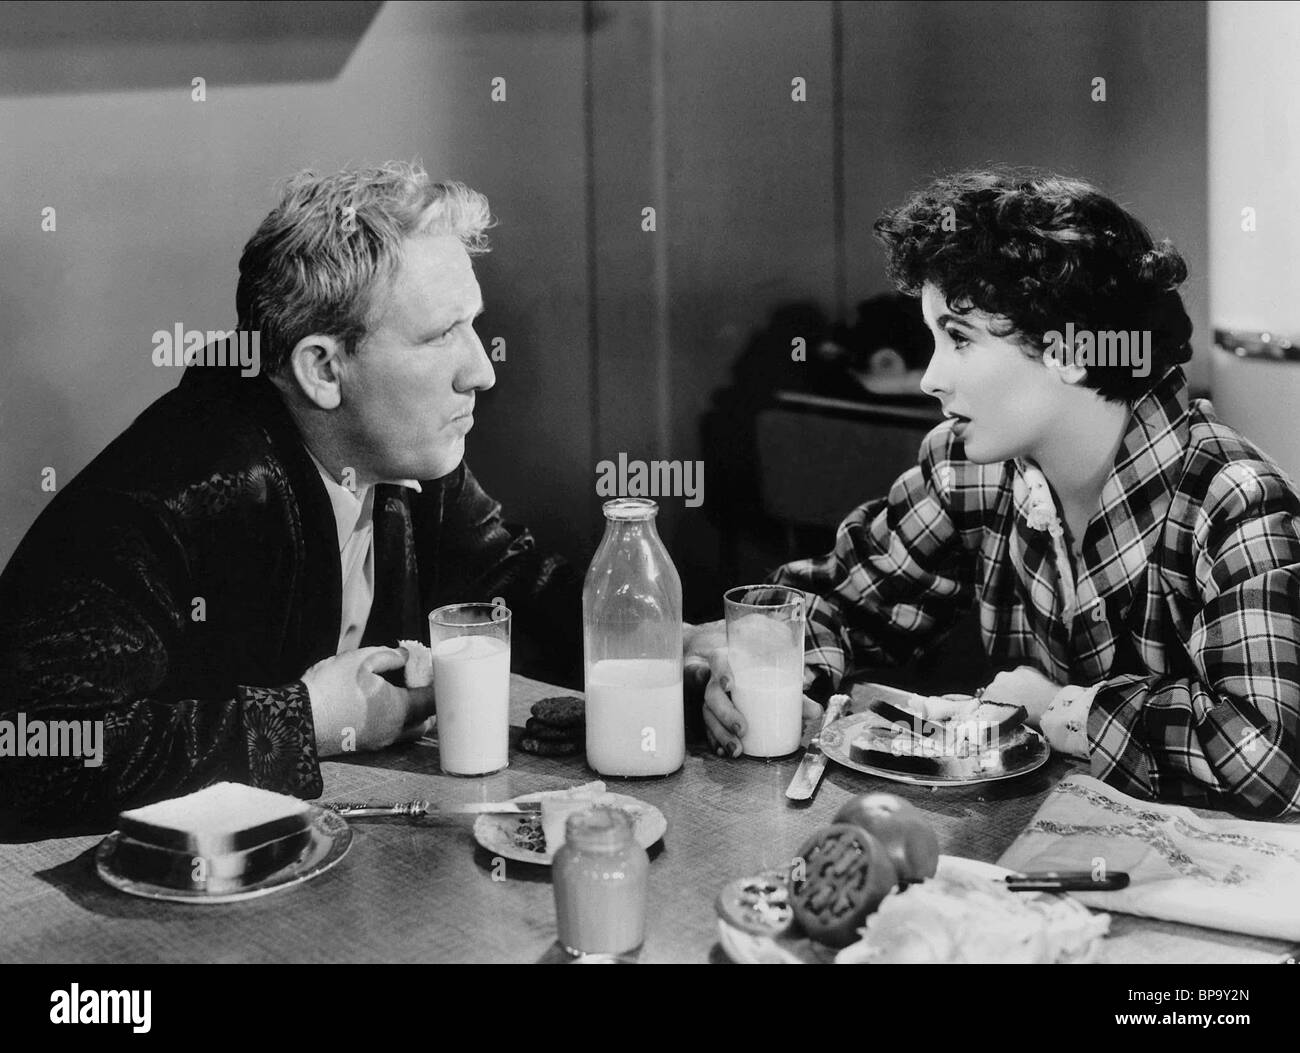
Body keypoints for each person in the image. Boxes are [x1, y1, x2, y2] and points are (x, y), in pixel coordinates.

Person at [692, 169, 1300, 817]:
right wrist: (775, 671)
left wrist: (1063, 711)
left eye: (959, 337)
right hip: (1028, 867)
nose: (930, 377)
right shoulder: (968, 464)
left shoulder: (1234, 501)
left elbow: (1268, 755)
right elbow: (841, 602)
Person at [0, 162, 581, 827]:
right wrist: (309, 721)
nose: (481, 370)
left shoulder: (401, 448)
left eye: (473, 326)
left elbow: (515, 584)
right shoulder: (180, 491)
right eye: (440, 335)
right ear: (325, 370)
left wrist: (668, 649)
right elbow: (30, 750)